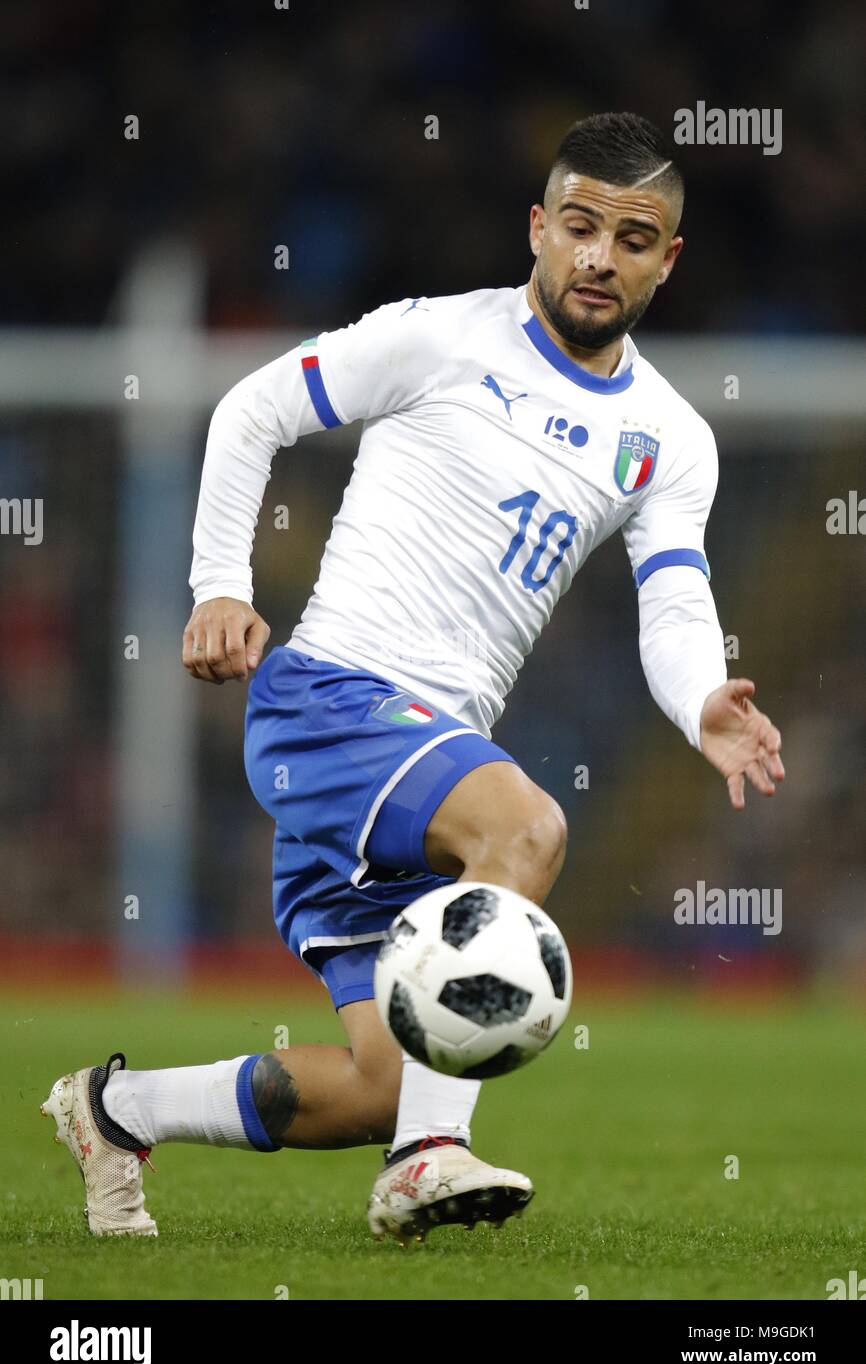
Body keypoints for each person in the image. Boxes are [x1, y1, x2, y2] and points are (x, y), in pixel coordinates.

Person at [43, 112, 784, 1244]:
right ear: (536, 229)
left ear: (664, 259)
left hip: (411, 781)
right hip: (329, 701)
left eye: (630, 239)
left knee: (379, 1082)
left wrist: (701, 702)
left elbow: (673, 596)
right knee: (527, 829)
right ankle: (427, 1159)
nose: (597, 256)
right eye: (577, 226)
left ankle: (116, 1107)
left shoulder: (670, 438)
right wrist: (217, 586)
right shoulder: (439, 338)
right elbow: (254, 408)